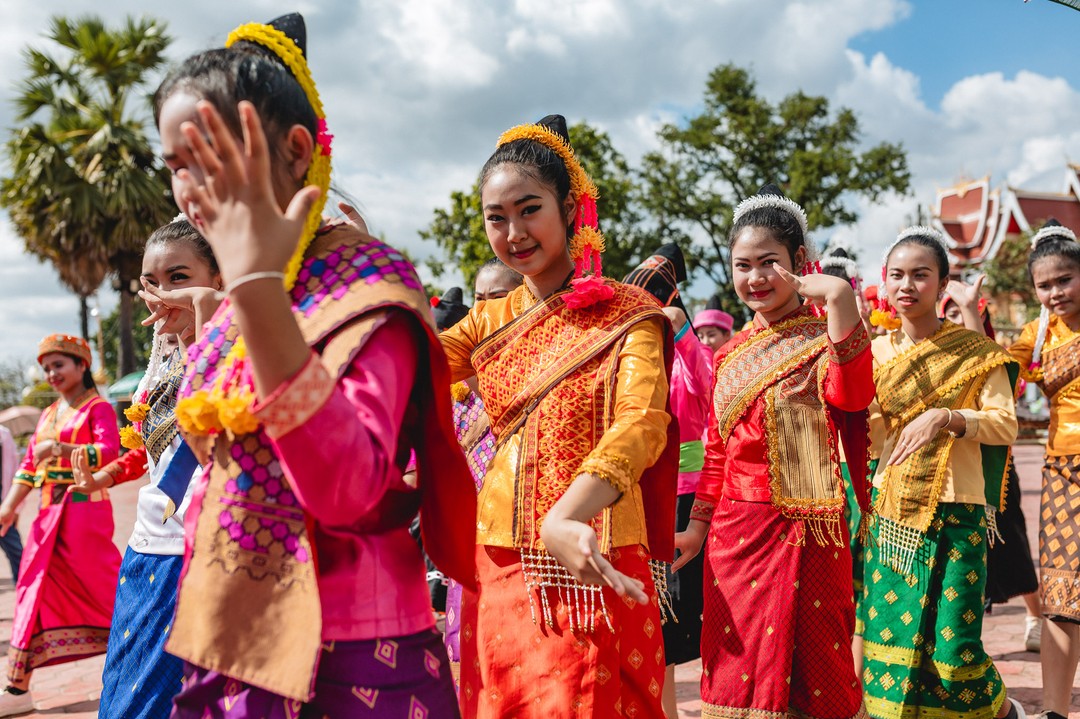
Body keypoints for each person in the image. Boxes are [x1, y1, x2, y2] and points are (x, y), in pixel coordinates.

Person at [149, 13, 474, 716]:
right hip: (230, 630)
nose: (191, 187)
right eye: (176, 165)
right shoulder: (239, 302)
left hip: (356, 648)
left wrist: (256, 291)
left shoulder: (370, 285)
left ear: (296, 148)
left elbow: (348, 488)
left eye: (211, 154)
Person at [440, 113, 678, 717]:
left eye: (529, 210)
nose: (514, 232)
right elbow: (402, 369)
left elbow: (641, 424)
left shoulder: (631, 315)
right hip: (499, 558)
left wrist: (568, 515)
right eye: (497, 218)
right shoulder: (487, 321)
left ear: (570, 211)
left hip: (592, 548)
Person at [674, 184, 873, 719]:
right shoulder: (731, 353)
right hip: (735, 537)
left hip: (812, 531)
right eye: (743, 265)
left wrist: (837, 297)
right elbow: (715, 450)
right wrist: (696, 526)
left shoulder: (824, 336)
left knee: (820, 675)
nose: (755, 278)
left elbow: (853, 396)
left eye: (770, 263)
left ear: (799, 264)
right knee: (738, 680)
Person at [862, 226, 1023, 719]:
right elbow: (864, 433)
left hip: (960, 510)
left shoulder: (977, 355)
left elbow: (1004, 425)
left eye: (920, 274)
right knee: (891, 643)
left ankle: (1004, 712)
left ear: (943, 283)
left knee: (954, 651)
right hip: (893, 518)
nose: (907, 285)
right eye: (897, 275)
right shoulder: (872, 354)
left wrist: (949, 418)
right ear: (885, 283)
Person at [68, 217, 221, 719]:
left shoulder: (238, 356)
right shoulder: (161, 366)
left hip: (202, 555)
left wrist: (209, 330)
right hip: (146, 553)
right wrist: (104, 477)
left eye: (179, 277)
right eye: (151, 282)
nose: (161, 294)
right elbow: (152, 453)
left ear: (219, 279)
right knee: (125, 697)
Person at [0, 334, 121, 717]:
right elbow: (29, 466)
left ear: (82, 365)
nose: (52, 374)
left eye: (59, 365)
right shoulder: (50, 414)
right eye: (47, 367)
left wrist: (61, 450)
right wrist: (8, 507)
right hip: (47, 515)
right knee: (30, 590)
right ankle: (17, 687)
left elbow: (111, 451)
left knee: (107, 591)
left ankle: (149, 650)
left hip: (85, 513)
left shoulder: (97, 408)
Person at [623, 243, 713, 719]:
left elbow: (709, 390)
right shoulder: (630, 348)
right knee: (650, 605)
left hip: (688, 494)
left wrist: (681, 333)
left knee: (680, 603)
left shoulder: (686, 353)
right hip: (636, 491)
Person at [939, 287, 1042, 654]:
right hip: (949, 468)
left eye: (965, 313)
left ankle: (1035, 618)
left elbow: (998, 402)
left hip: (994, 465)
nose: (957, 320)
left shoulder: (993, 358)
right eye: (949, 313)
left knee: (1010, 539)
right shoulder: (931, 355)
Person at [1007, 218, 1080, 719]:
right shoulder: (1036, 335)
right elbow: (988, 373)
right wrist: (969, 313)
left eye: (1065, 280)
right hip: (1063, 470)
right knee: (1060, 593)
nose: (1055, 292)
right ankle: (1055, 712)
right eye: (1044, 284)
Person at [0, 426, 23, 582]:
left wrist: (15, 507)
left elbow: (17, 471)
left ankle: (24, 591)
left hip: (3, 503)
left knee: (17, 553)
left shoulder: (4, 434)